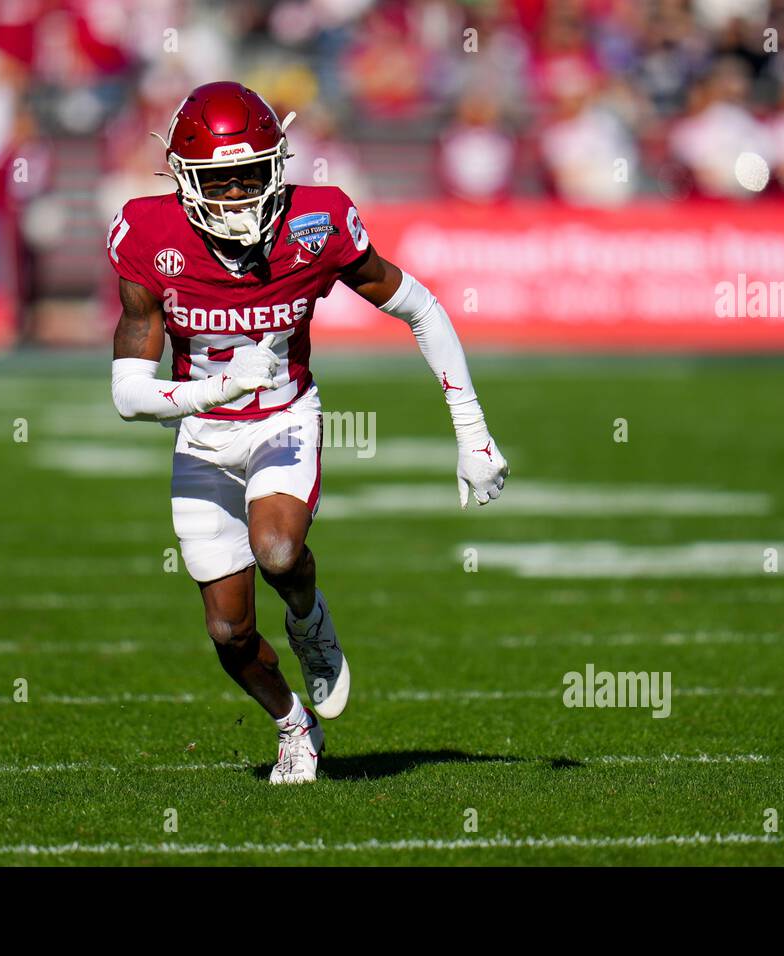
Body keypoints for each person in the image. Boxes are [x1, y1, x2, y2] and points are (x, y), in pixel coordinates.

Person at [108, 82, 509, 784]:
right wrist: (220, 388)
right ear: (182, 179)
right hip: (204, 436)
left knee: (280, 550)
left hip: (285, 418)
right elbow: (129, 394)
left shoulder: (315, 222)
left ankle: (309, 619)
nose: (236, 194)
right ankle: (296, 727)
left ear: (279, 161)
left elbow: (422, 308)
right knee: (229, 633)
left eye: (250, 173)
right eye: (217, 179)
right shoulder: (149, 237)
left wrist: (472, 431)